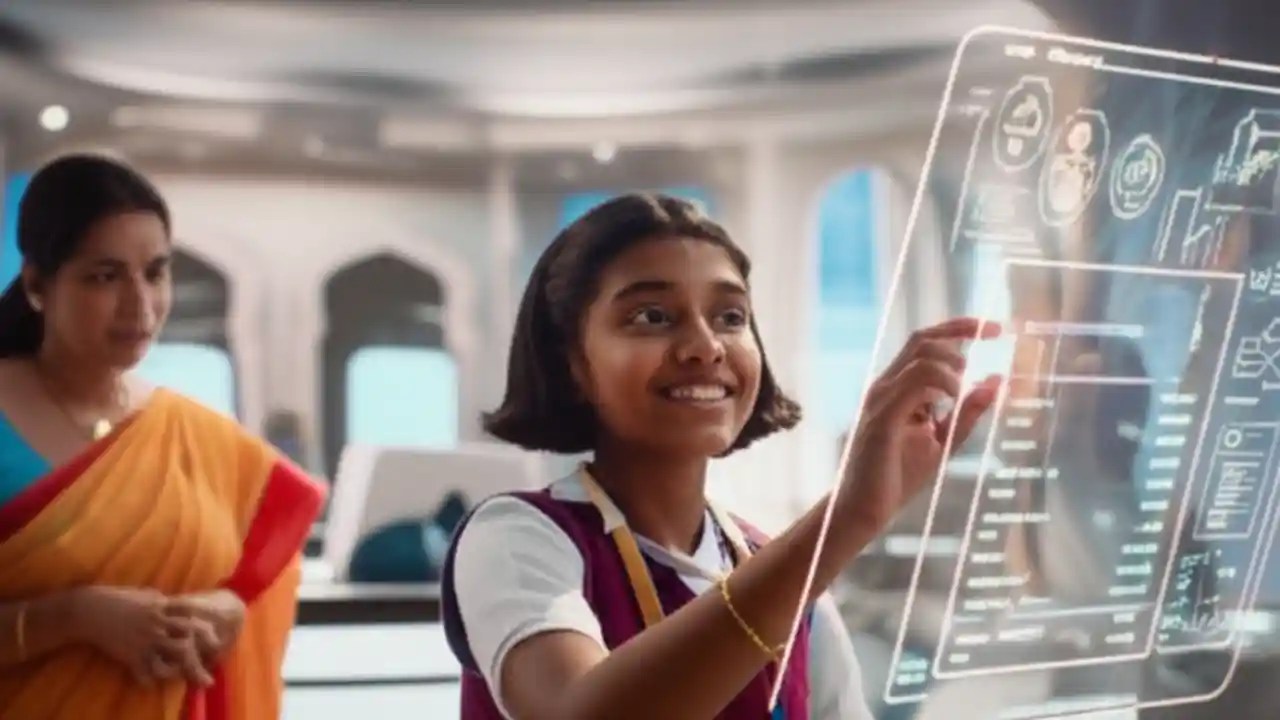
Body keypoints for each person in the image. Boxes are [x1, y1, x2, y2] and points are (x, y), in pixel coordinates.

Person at [441, 193, 1003, 719]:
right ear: (573, 363)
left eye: (731, 318)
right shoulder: (515, 536)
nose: (706, 347)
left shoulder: (794, 588)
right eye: (652, 316)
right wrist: (846, 517)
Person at [0, 154, 326, 719]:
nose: (141, 305)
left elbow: (262, 569)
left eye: (154, 273)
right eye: (105, 277)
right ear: (36, 285)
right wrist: (75, 617)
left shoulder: (195, 435)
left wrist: (229, 610)